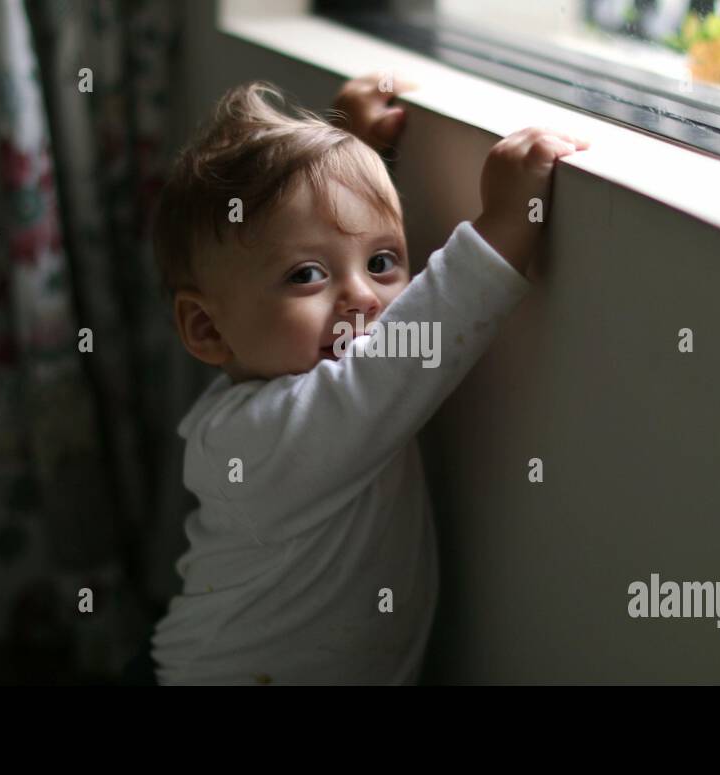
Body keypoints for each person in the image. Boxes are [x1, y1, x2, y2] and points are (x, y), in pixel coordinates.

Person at [146, 74, 588, 684]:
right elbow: (404, 353)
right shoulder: (263, 440)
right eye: (306, 275)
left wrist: (352, 147)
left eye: (382, 262)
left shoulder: (302, 397)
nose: (364, 297)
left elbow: (361, 327)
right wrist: (506, 222)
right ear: (207, 329)